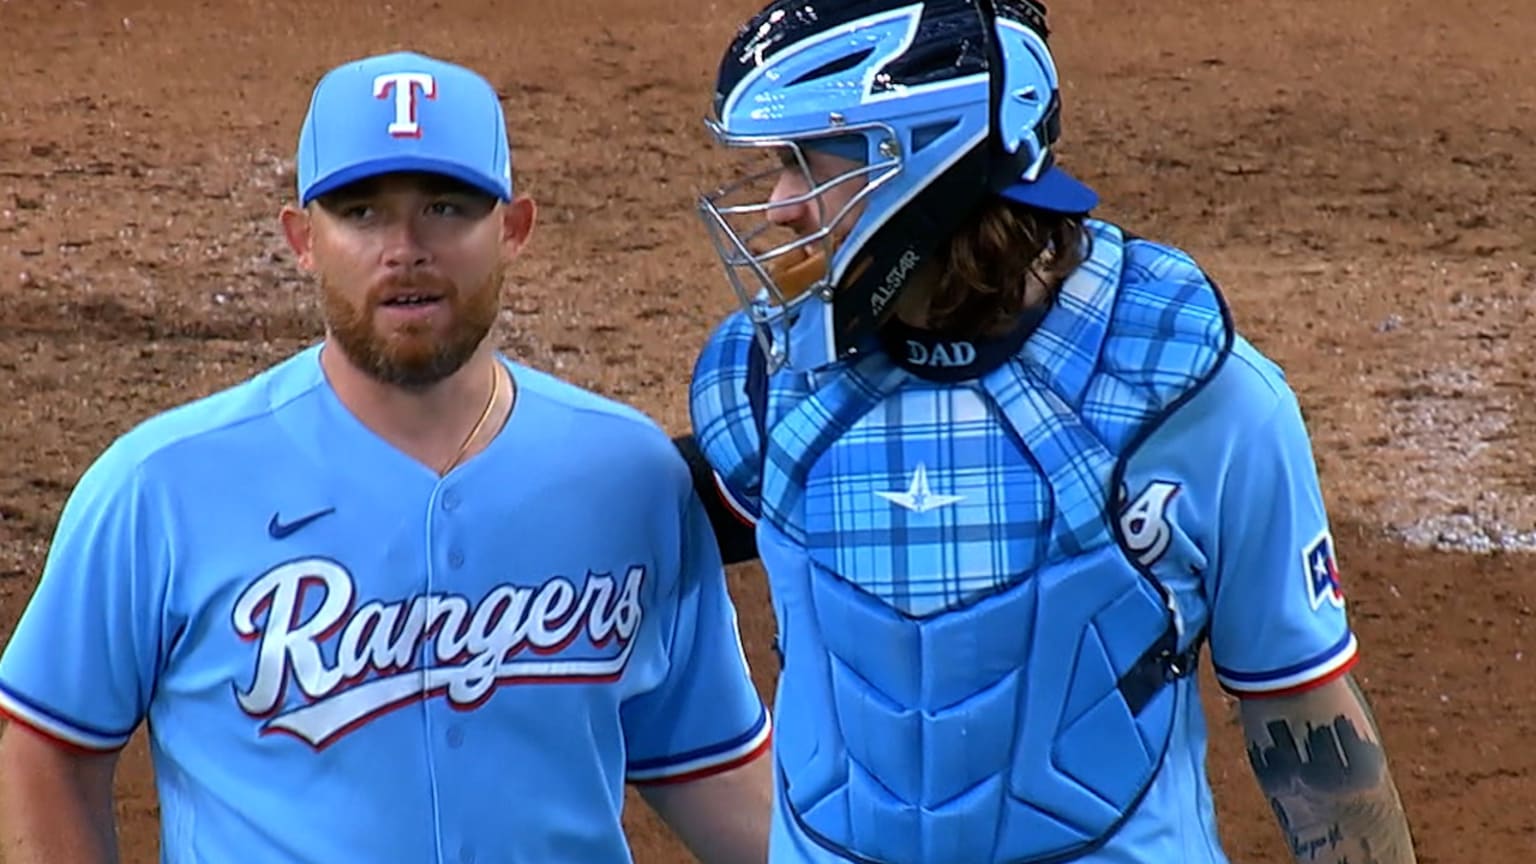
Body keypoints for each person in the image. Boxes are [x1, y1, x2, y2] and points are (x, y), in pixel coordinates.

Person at [676, 1, 1419, 862]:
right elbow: (676, 517)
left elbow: (1305, 723)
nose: (777, 208)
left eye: (809, 164)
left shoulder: (1189, 392)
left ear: (927, 158)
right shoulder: (778, 384)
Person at [0, 50, 773, 864]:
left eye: (446, 207)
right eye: (361, 212)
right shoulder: (160, 485)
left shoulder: (631, 478)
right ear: (302, 239)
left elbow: (717, 774)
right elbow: (47, 744)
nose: (405, 248)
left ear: (514, 228)